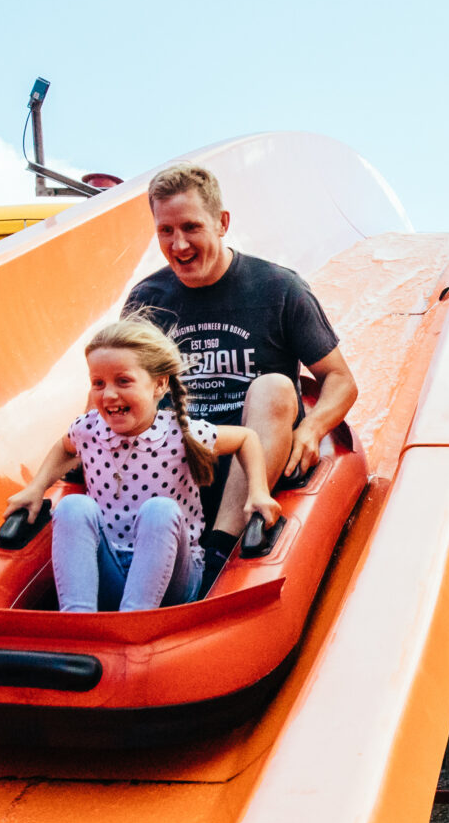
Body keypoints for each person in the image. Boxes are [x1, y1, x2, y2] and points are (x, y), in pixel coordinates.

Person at [123, 162, 357, 563]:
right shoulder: (148, 300)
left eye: (191, 227)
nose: (179, 244)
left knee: (275, 386)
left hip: (254, 461)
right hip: (175, 464)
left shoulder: (279, 289)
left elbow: (339, 378)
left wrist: (312, 428)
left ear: (222, 223)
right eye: (166, 231)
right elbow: (112, 386)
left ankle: (221, 547)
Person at [5, 317, 277, 612]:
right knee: (73, 506)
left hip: (172, 580)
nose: (109, 394)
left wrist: (258, 492)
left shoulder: (180, 434)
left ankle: (136, 616)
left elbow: (246, 439)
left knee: (159, 510)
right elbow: (64, 447)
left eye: (123, 381)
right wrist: (36, 487)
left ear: (159, 384)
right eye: (98, 383)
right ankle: (77, 615)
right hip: (112, 574)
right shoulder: (89, 429)